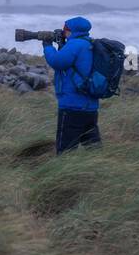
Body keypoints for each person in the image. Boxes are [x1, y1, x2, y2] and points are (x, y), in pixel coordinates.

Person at [42, 15, 102, 154]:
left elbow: (58, 62)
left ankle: (64, 174)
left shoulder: (75, 44)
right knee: (93, 149)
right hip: (90, 106)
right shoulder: (89, 43)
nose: (63, 32)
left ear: (72, 30)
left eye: (65, 29)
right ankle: (101, 169)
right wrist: (62, 44)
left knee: (65, 150)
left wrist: (47, 47)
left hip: (72, 105)